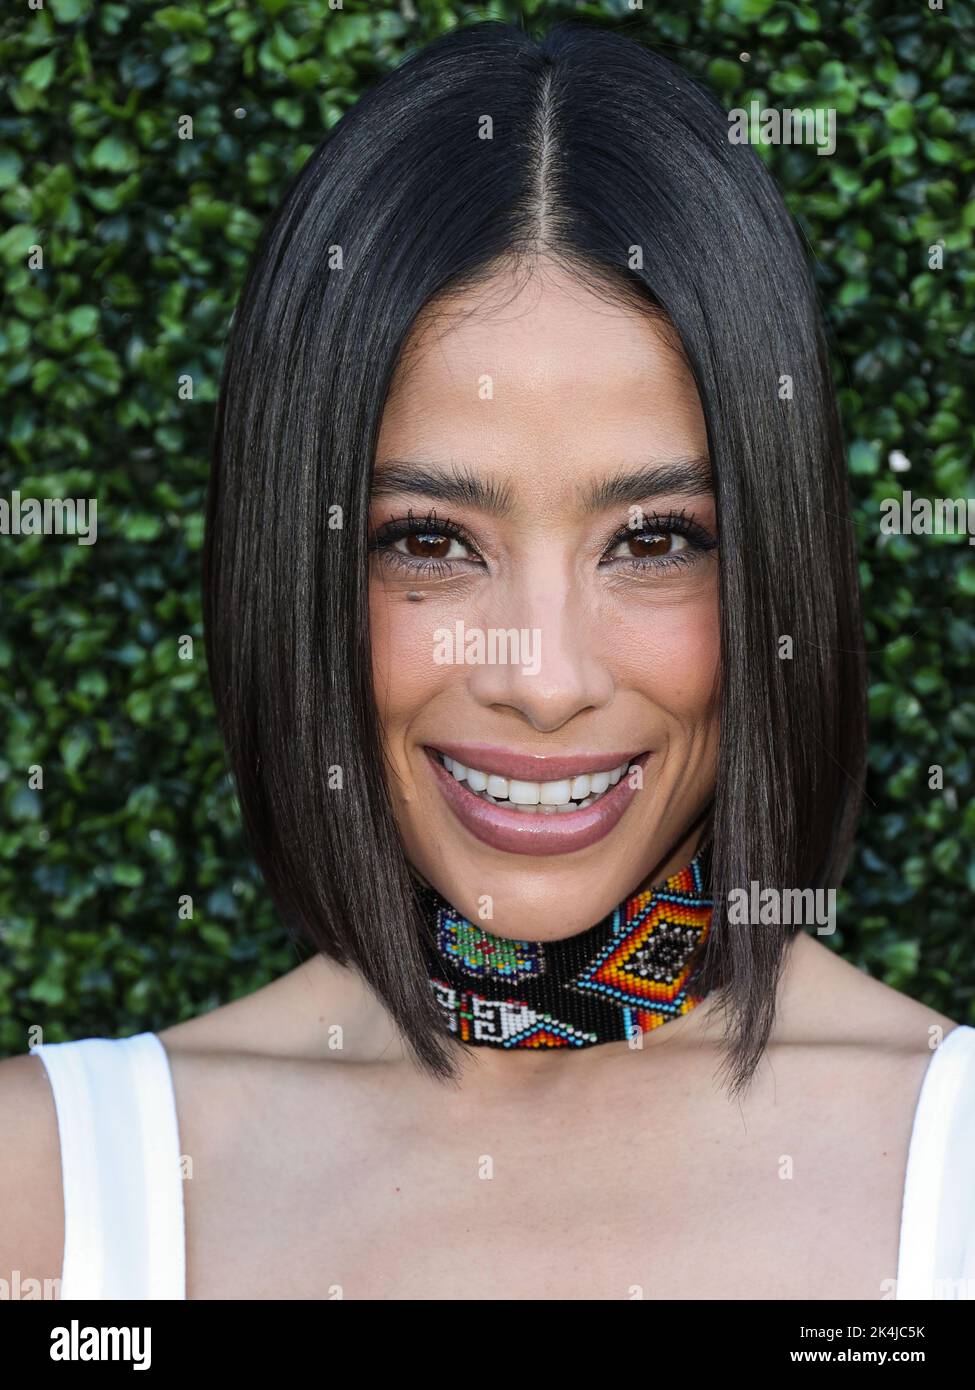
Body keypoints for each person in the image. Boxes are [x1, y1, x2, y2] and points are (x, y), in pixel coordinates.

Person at [2, 19, 972, 1302]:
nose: (546, 674)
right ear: (299, 568)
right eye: (432, 541)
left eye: (654, 538)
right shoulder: (45, 1188)